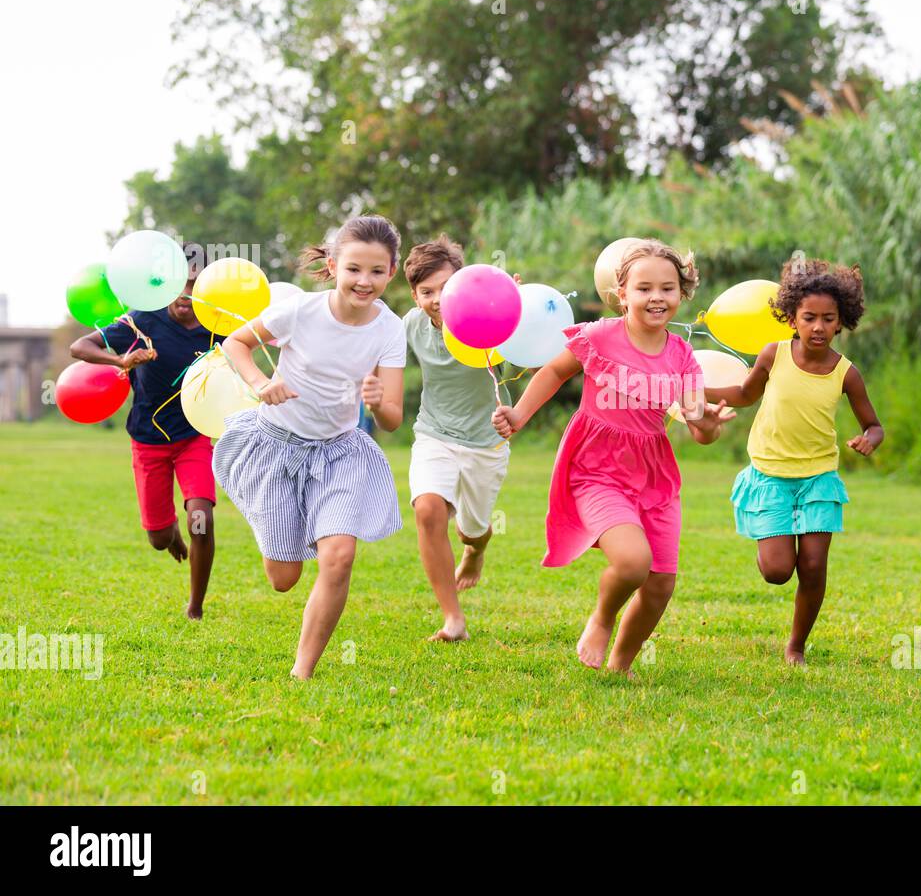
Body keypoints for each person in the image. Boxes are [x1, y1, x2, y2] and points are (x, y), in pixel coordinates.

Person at [492, 239, 733, 675]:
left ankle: (620, 666)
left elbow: (698, 428)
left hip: (654, 475)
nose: (656, 297)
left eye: (667, 288)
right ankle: (601, 619)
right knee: (633, 562)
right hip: (596, 469)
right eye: (644, 289)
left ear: (682, 294)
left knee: (660, 584)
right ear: (622, 294)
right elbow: (555, 371)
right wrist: (520, 413)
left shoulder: (682, 357)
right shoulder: (601, 334)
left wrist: (710, 424)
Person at [214, 215, 407, 680]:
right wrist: (262, 382)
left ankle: (303, 670)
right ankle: (271, 518)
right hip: (276, 446)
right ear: (335, 264)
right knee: (284, 579)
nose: (365, 281)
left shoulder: (390, 329)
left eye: (377, 272)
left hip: (339, 451)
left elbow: (394, 419)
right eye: (355, 269)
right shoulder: (299, 311)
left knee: (339, 556)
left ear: (392, 272)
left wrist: (379, 403)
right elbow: (235, 344)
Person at [706, 258, 883, 664]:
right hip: (770, 476)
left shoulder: (846, 374)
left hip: (818, 478)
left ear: (841, 322)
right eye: (809, 318)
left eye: (828, 319)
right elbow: (746, 394)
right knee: (777, 572)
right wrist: (699, 387)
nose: (818, 327)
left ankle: (796, 646)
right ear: (792, 319)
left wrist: (869, 439)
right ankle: (770, 543)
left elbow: (874, 424)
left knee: (815, 565)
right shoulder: (774, 355)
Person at [69, 243, 219, 619]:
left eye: (196, 284)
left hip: (194, 438)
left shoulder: (219, 328)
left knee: (201, 519)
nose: (187, 293)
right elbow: (80, 346)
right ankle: (170, 532)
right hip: (148, 443)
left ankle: (195, 608)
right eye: (181, 283)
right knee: (158, 538)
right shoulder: (143, 320)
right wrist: (120, 359)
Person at [404, 235, 514, 642]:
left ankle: (475, 550)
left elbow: (536, 350)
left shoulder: (488, 318)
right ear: (414, 296)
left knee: (472, 530)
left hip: (487, 442)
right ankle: (454, 619)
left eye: (447, 288)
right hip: (434, 433)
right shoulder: (411, 326)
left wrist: (511, 306)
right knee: (428, 510)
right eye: (427, 291)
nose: (437, 299)